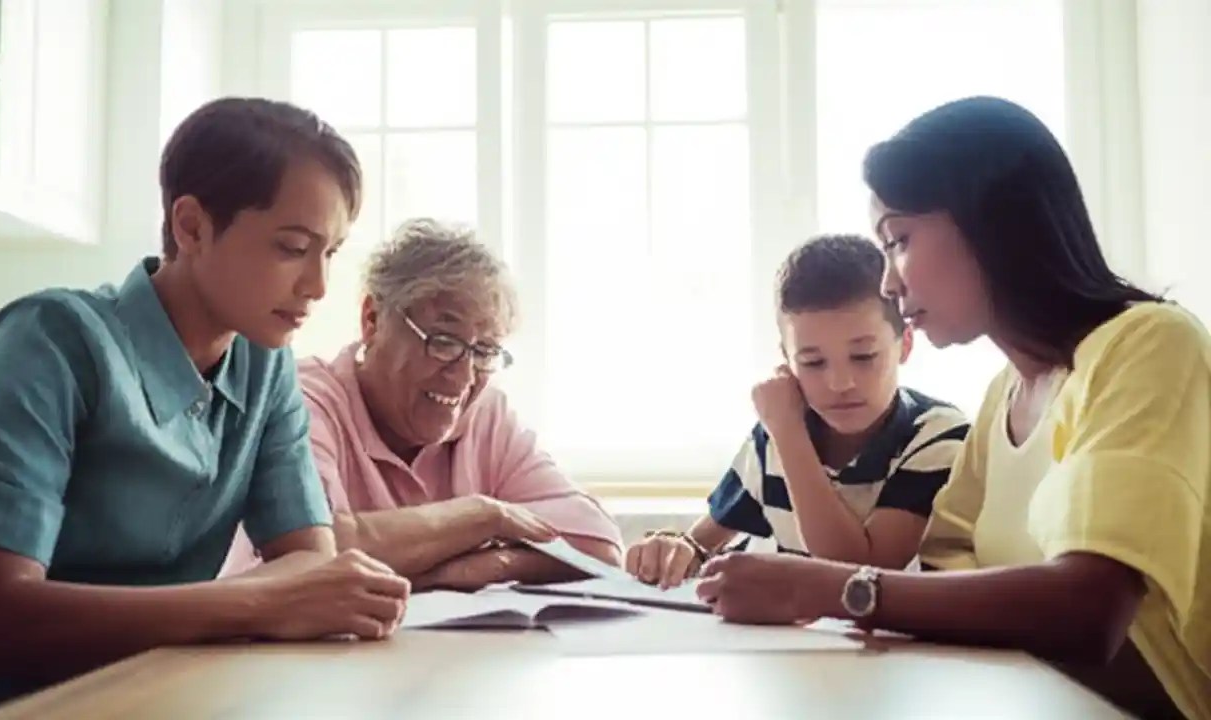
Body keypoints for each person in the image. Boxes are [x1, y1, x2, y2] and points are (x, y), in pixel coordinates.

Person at [694, 96, 1209, 720]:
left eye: (899, 240)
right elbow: (943, 574)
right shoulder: (1003, 398)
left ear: (992, 222)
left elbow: (1089, 607)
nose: (889, 282)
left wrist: (818, 586)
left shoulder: (1148, 343)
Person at [0, 97, 410, 716]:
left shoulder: (266, 365)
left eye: (331, 253)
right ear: (191, 227)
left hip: (159, 697)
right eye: (293, 247)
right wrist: (260, 605)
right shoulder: (51, 342)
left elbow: (307, 563)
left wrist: (283, 597)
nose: (318, 286)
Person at [224, 218, 623, 590]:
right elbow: (318, 548)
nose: (465, 376)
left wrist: (484, 567)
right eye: (444, 341)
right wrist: (482, 516)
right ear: (373, 319)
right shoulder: (303, 400)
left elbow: (599, 544)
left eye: (484, 350)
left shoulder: (486, 415)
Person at [625, 235, 969, 589]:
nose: (839, 382)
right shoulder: (775, 434)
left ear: (905, 345)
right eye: (813, 362)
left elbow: (856, 574)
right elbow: (699, 542)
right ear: (787, 361)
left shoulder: (938, 436)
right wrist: (674, 549)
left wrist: (789, 433)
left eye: (864, 357)